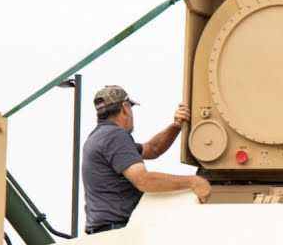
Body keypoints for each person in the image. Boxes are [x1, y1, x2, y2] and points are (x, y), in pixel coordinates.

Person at [81, 85, 211, 234]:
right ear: (125, 107)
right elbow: (143, 180)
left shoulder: (99, 137)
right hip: (116, 231)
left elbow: (152, 149)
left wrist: (176, 126)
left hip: (104, 232)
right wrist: (193, 182)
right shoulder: (115, 137)